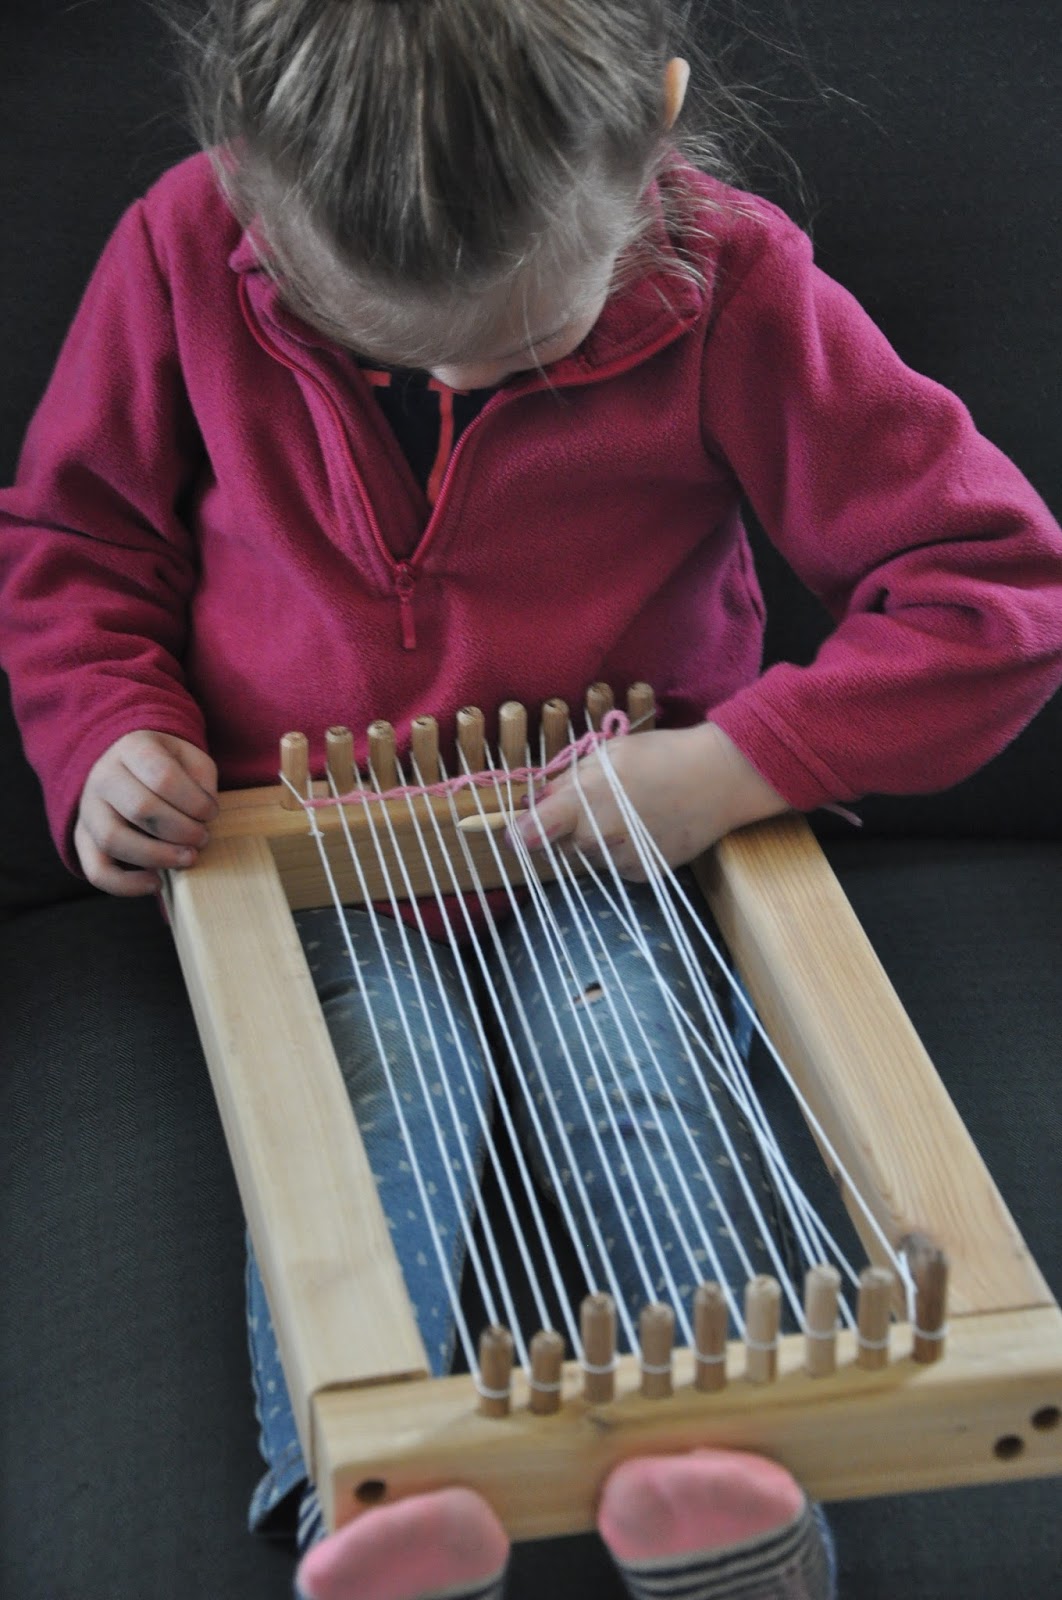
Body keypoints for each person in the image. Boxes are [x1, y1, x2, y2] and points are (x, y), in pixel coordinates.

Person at [1, 2, 1060, 1596]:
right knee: (389, 1102)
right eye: (385, 346)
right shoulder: (176, 247)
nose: (454, 375)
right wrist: (105, 734)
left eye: (531, 346)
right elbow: (82, 548)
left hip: (618, 846)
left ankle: (730, 1493)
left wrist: (733, 765)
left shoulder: (732, 278)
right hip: (323, 865)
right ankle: (375, 1512)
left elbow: (999, 592)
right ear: (247, 182)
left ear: (654, 135)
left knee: (631, 1071)